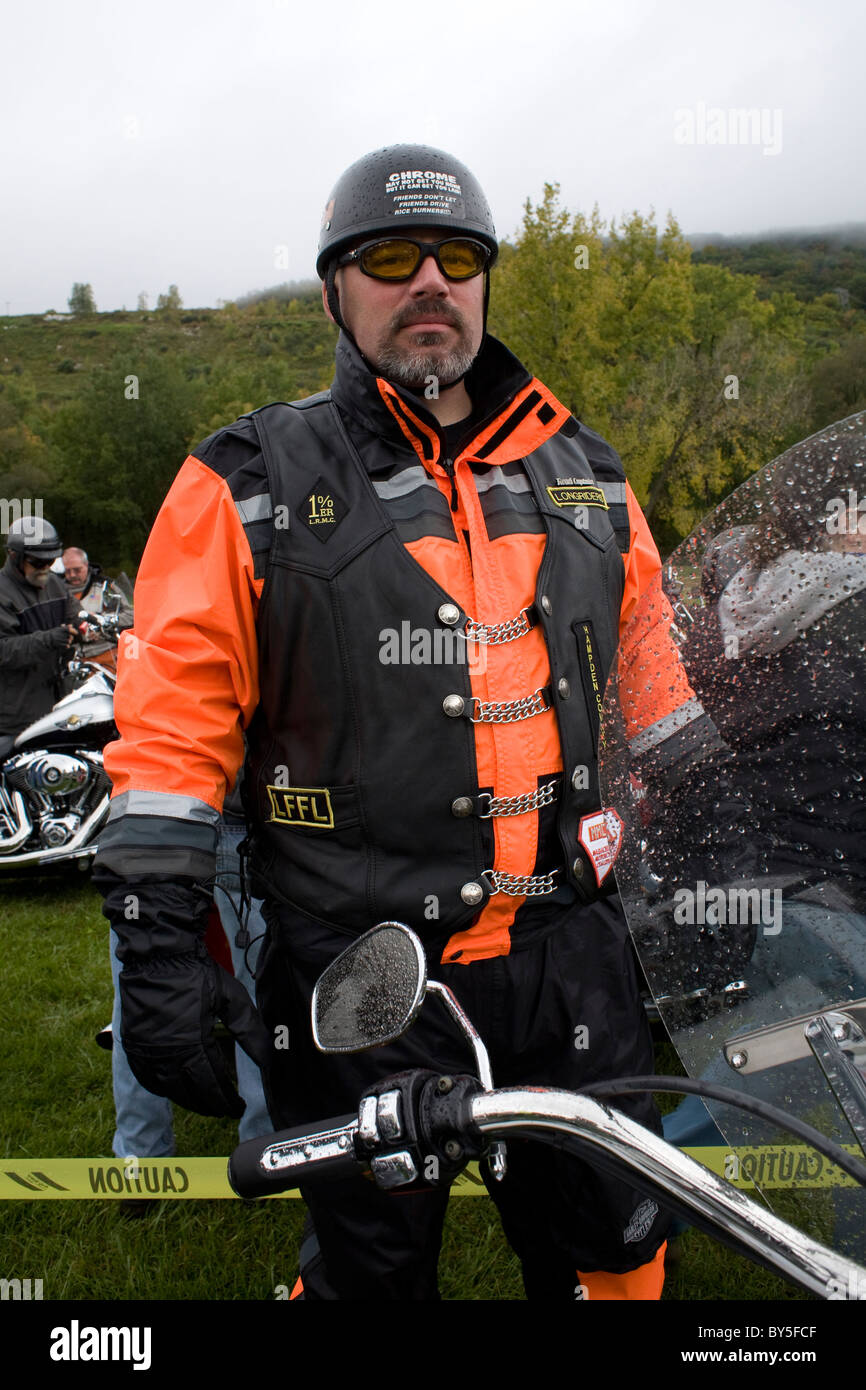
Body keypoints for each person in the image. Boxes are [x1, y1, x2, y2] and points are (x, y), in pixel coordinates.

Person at [94, 144, 711, 1301]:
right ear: (335, 286)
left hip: (569, 957)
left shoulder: (585, 470)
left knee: (617, 1257)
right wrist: (158, 937)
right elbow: (172, 725)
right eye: (390, 255)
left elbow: (659, 697)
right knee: (369, 1279)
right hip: (359, 974)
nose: (429, 280)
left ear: (483, 282)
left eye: (457, 257)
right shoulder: (246, 477)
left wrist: (738, 857)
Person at [0, 516, 80, 744]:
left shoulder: (54, 583)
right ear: (15, 556)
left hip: (57, 702)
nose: (45, 568)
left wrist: (87, 627)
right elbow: (4, 650)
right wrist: (51, 639)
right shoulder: (2, 593)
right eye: (37, 562)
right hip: (16, 713)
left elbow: (76, 615)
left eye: (51, 561)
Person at [62, 547, 134, 672]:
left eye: (77, 570)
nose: (72, 575)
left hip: (109, 653)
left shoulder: (105, 587)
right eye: (67, 571)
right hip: (77, 659)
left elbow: (132, 614)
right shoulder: (57, 591)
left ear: (86, 565)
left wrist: (103, 620)